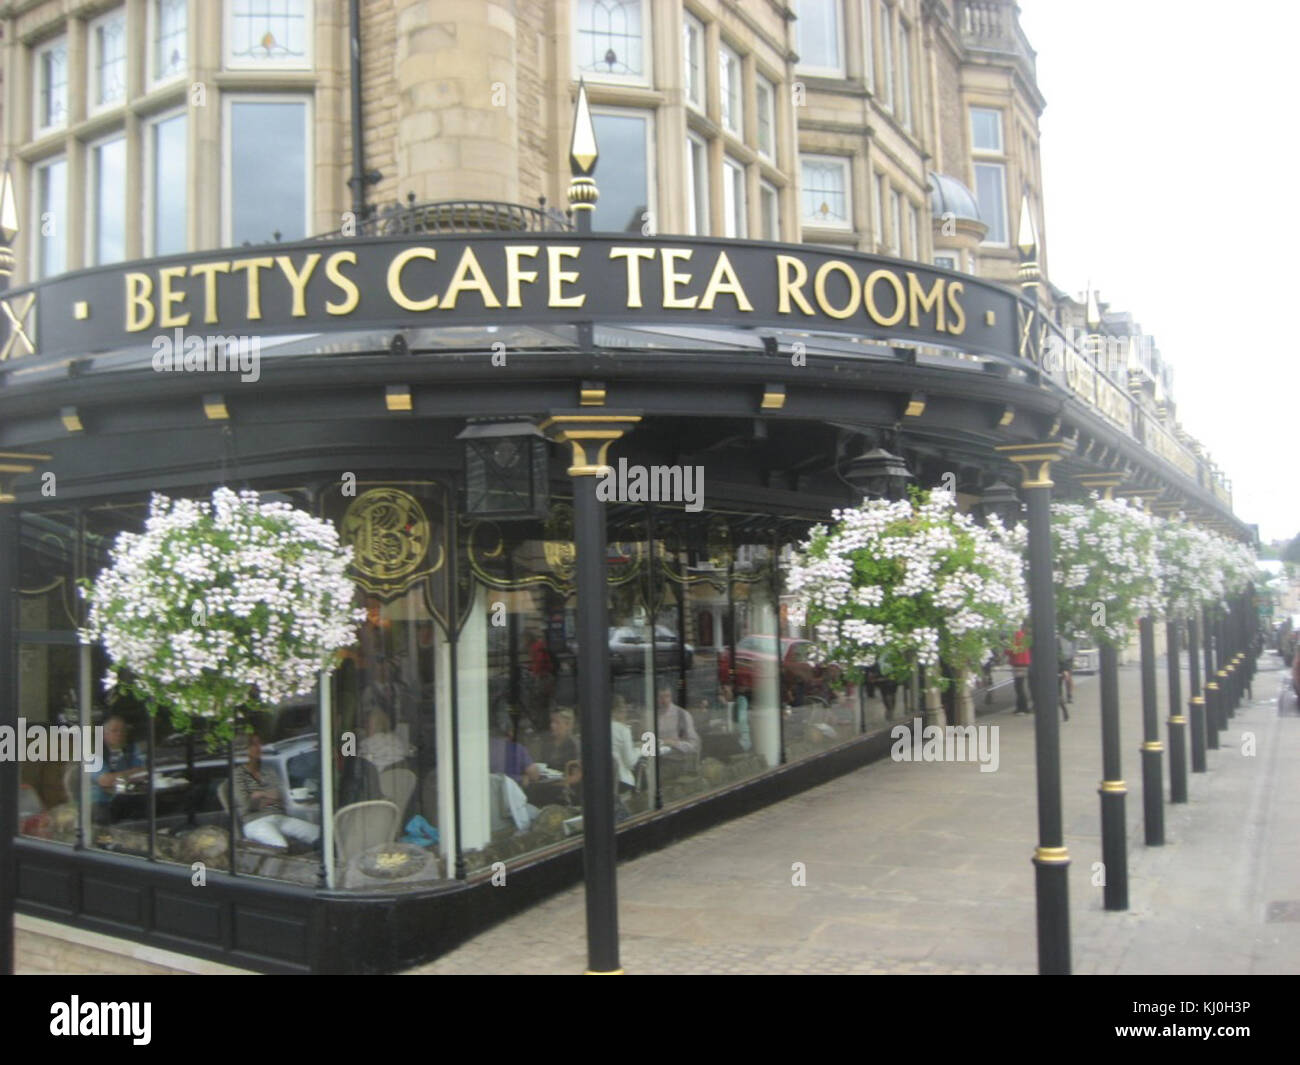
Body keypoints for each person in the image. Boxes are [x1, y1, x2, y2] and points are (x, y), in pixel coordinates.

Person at [233, 733, 321, 849]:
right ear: (244, 749)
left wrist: (258, 796)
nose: (259, 747)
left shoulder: (268, 771)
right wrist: (265, 796)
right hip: (256, 822)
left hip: (279, 817)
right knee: (279, 846)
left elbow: (279, 796)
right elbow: (245, 805)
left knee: (318, 833)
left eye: (259, 743)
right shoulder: (238, 774)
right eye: (253, 744)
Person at [90, 715, 146, 825]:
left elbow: (143, 772)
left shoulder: (131, 748)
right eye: (114, 731)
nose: (119, 734)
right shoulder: (93, 751)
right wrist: (131, 773)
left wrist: (117, 777)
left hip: (127, 798)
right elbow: (104, 781)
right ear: (104, 734)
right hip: (100, 802)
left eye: (123, 730)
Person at [358, 708, 411, 772]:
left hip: (378, 780)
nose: (364, 726)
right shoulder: (396, 741)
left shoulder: (367, 745)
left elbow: (361, 771)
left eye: (367, 723)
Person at [654, 687, 700, 759]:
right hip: (655, 759)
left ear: (672, 697)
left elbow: (694, 745)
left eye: (667, 696)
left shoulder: (682, 714)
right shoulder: (652, 715)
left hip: (677, 762)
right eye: (660, 697)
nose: (664, 700)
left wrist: (673, 743)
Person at [1008, 628, 1032, 714]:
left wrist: (1007, 649)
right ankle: (1021, 707)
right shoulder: (1024, 637)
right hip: (1025, 663)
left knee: (1019, 687)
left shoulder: (1015, 637)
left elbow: (1011, 651)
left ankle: (1022, 707)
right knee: (1020, 686)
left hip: (1018, 664)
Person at [1057, 632, 1075, 721]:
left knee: (1058, 693)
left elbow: (1061, 657)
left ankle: (1064, 711)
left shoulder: (1056, 642)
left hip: (1056, 670)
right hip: (1056, 669)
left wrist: (1065, 670)